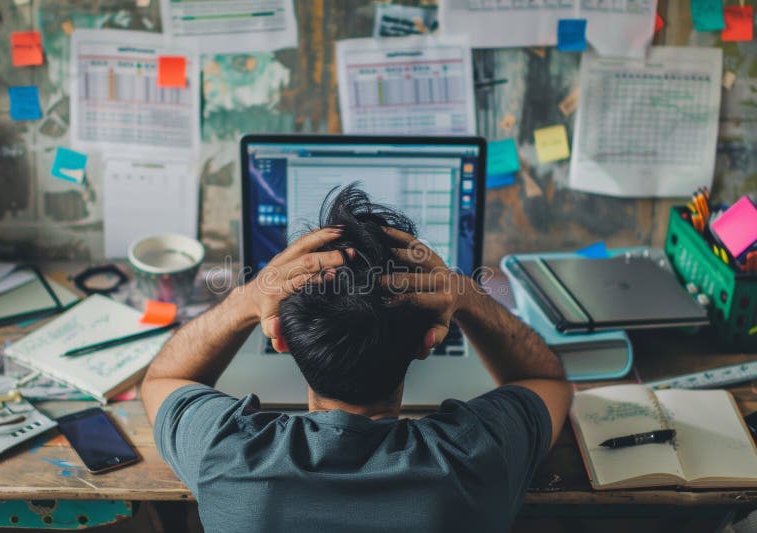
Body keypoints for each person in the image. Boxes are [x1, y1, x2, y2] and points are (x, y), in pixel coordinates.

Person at [141, 185, 573, 532]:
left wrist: (249, 298)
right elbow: (546, 379)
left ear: (281, 337)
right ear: (427, 342)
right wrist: (465, 295)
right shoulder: (476, 457)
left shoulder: (229, 454)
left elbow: (163, 378)